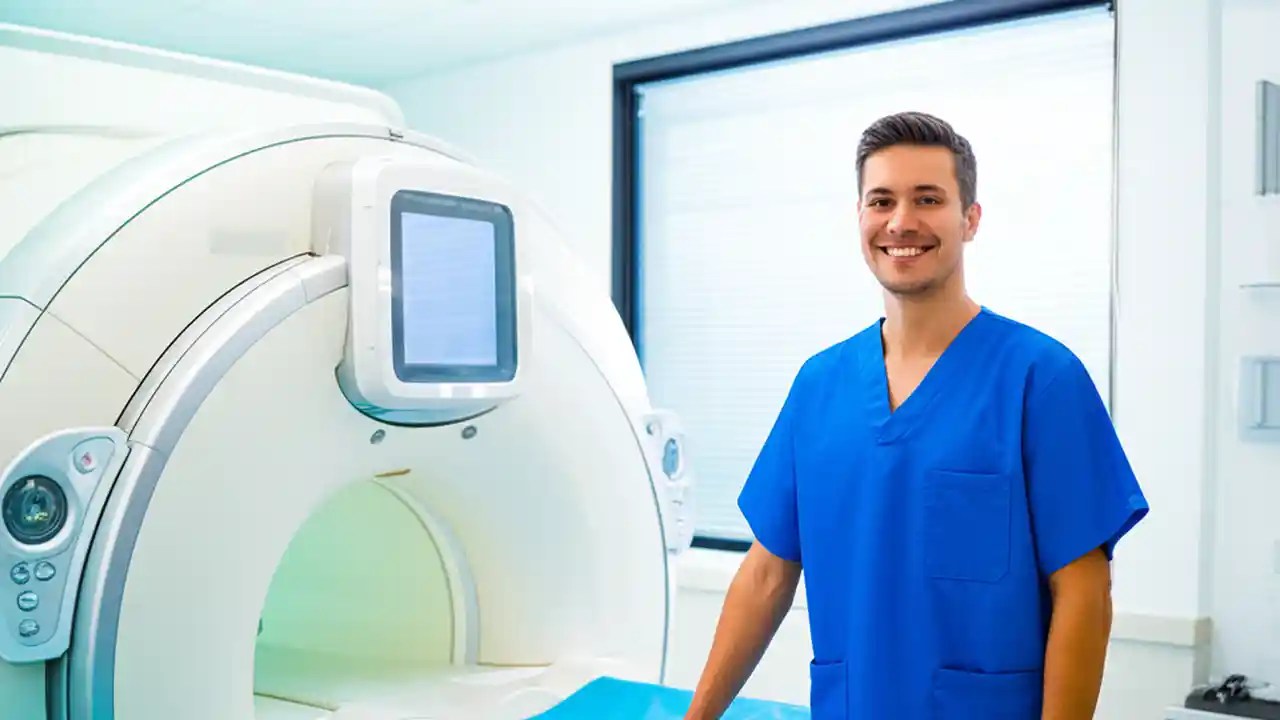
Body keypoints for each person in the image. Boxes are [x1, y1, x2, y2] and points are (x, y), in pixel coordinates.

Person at [682, 111, 1149, 720]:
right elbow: (767, 574)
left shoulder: (1041, 379)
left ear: (970, 219)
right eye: (881, 200)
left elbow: (1084, 592)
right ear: (859, 217)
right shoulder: (819, 386)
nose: (902, 221)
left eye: (928, 198)